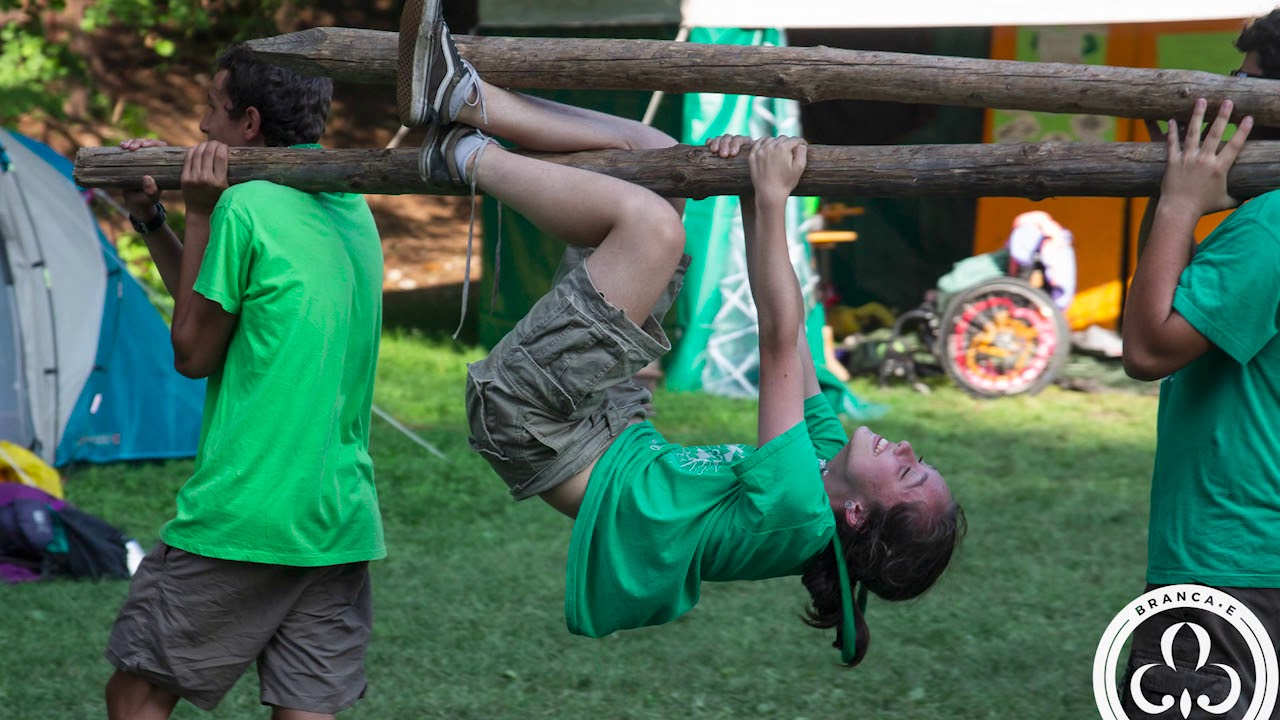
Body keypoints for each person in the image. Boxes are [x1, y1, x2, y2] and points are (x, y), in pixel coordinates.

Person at [397, 0, 965, 665]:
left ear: (860, 515)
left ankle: (459, 156)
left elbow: (779, 337)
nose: (906, 450)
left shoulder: (798, 514)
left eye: (908, 473)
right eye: (919, 460)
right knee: (659, 159)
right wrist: (751, 189)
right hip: (605, 415)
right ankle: (465, 97)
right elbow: (790, 330)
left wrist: (775, 197)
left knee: (654, 228)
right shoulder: (826, 455)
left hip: (537, 424)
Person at [103, 45, 386, 718]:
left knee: (137, 692)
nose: (201, 126)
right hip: (335, 514)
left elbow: (195, 351)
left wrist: (201, 213)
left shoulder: (244, 207)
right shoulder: (350, 204)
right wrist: (152, 221)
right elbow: (220, 310)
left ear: (249, 121)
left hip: (247, 509)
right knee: (305, 708)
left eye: (210, 106)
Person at [1119, 92, 1272, 717]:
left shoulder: (1272, 225)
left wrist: (1180, 203)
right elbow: (1168, 291)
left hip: (1237, 558)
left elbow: (1151, 344)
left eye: (1246, 83)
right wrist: (1173, 196)